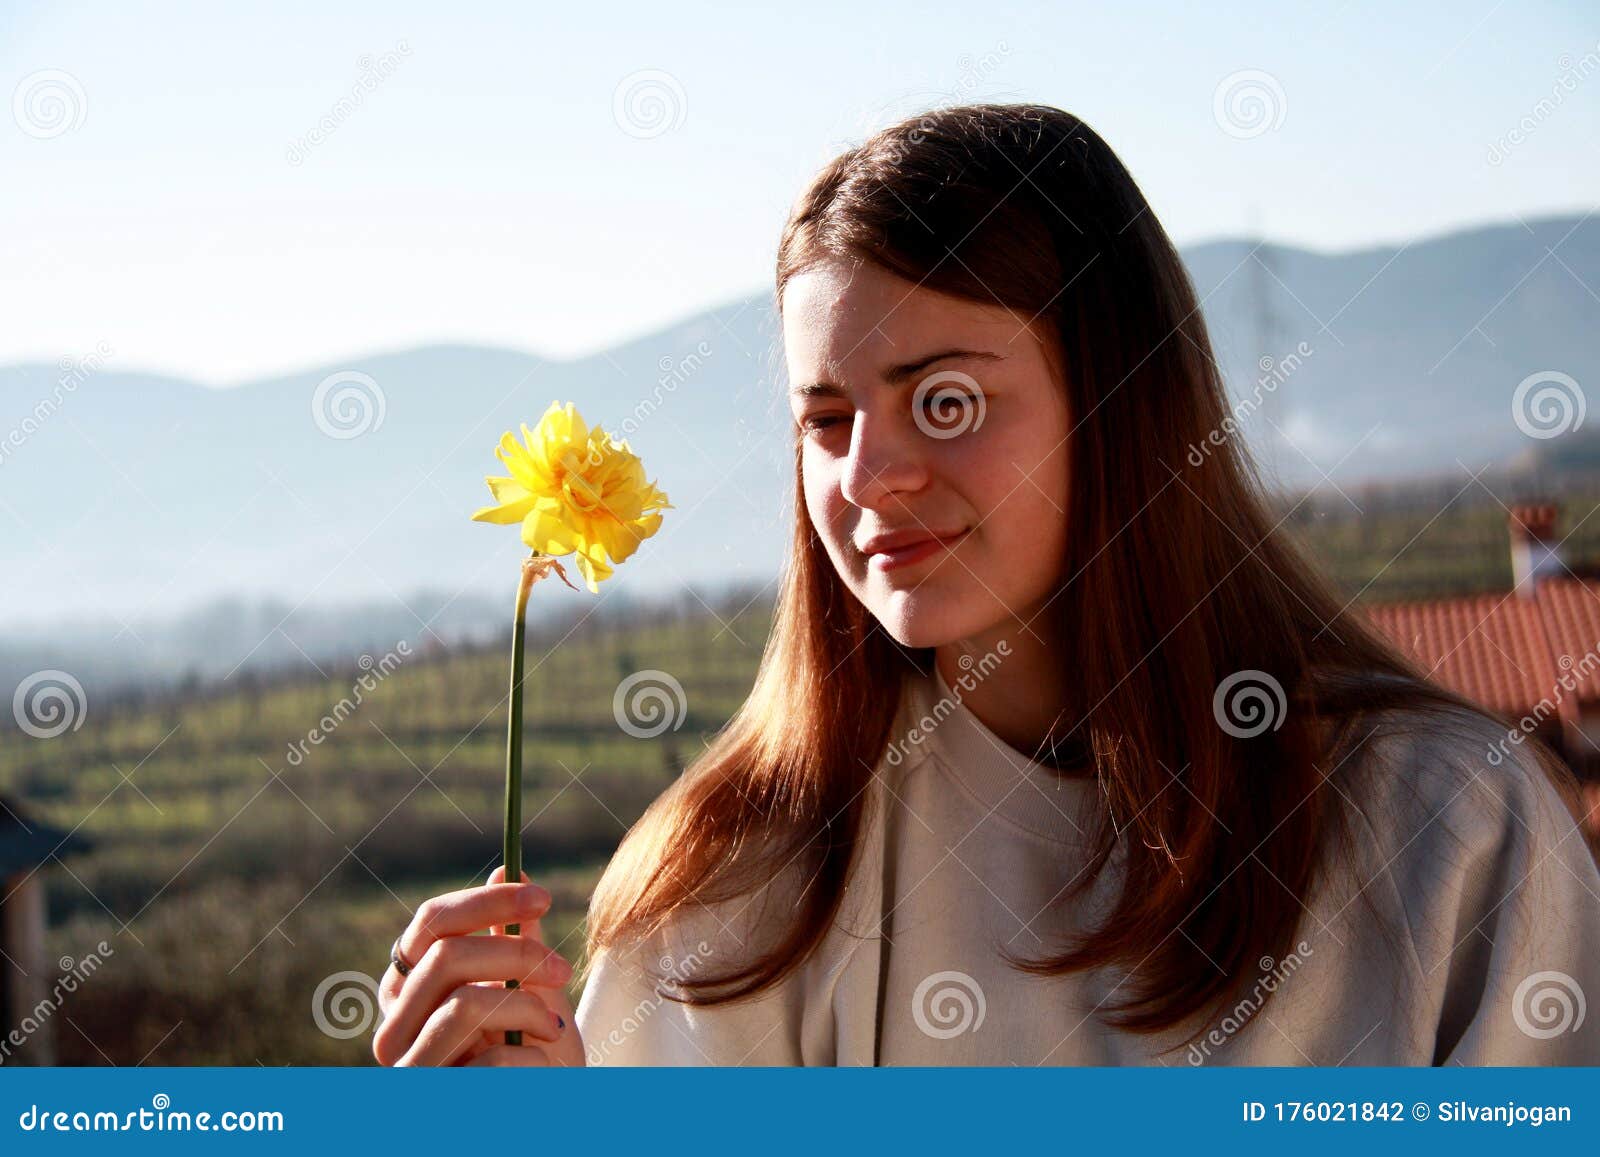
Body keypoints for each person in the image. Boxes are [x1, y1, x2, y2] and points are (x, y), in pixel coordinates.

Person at [373, 103, 1600, 1067]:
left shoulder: (1446, 828)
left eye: (944, 399)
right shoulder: (740, 890)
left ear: (1122, 402)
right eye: (827, 419)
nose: (871, 475)